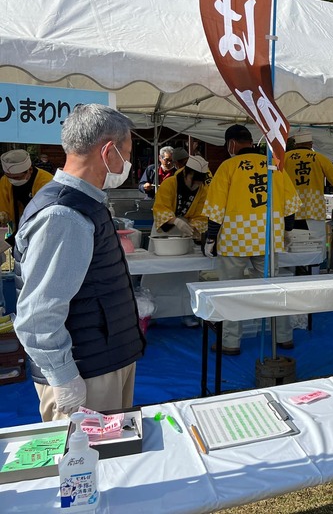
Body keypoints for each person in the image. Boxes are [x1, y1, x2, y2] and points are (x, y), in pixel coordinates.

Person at [13, 103, 145, 422]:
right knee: (88, 466)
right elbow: (38, 314)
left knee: (114, 463)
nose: (127, 163)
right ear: (109, 152)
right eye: (127, 155)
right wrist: (64, 377)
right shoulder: (64, 215)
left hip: (104, 359)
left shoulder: (85, 203)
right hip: (86, 374)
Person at [202, 124, 301, 354]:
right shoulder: (275, 166)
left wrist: (210, 239)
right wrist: (285, 232)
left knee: (231, 292)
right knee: (274, 289)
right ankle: (283, 337)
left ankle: (230, 342)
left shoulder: (228, 167)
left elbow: (216, 209)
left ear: (232, 144)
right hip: (268, 237)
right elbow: (290, 207)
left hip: (235, 238)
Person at [149, 154, 212, 328]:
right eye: (194, 179)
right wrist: (175, 221)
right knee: (158, 274)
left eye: (200, 181)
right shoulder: (170, 183)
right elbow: (160, 207)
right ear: (186, 173)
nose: (196, 184)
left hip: (186, 232)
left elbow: (202, 215)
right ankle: (153, 312)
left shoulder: (203, 190)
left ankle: (186, 312)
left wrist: (193, 228)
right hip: (164, 230)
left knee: (186, 274)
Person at [284, 131, 333, 267]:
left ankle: (291, 271)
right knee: (315, 243)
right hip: (313, 208)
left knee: (290, 244)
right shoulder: (318, 157)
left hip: (290, 208)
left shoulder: (285, 158)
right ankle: (314, 270)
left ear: (296, 144)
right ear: (311, 144)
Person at [0, 149, 54, 246]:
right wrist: (3, 216)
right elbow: (4, 208)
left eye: (16, 177)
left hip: (42, 232)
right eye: (9, 176)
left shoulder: (47, 182)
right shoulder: (5, 181)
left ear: (30, 170)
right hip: (18, 230)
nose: (12, 180)